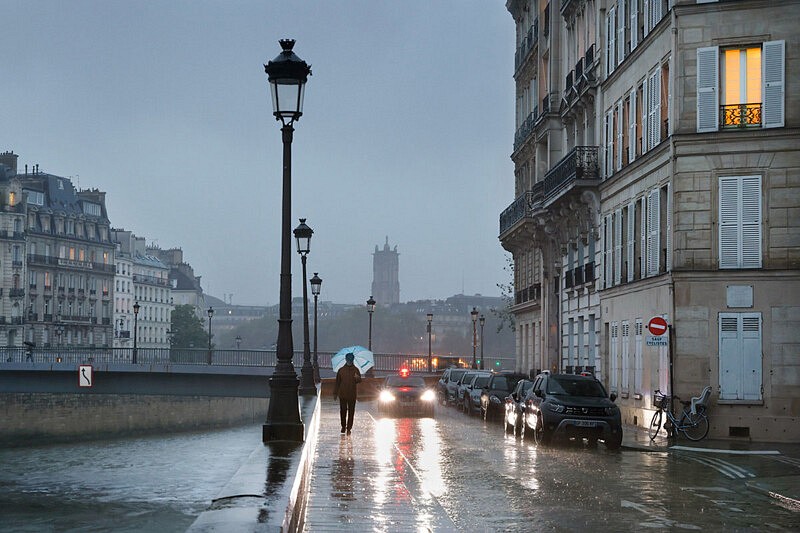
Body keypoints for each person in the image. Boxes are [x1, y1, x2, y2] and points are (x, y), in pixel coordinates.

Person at [333, 352, 362, 435]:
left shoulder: (356, 370)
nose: (350, 361)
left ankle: (349, 428)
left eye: (351, 360)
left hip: (352, 395)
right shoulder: (341, 370)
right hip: (343, 394)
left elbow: (359, 381)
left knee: (351, 412)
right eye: (349, 359)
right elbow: (337, 383)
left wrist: (357, 378)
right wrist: (335, 393)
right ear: (346, 360)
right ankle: (343, 426)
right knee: (343, 411)